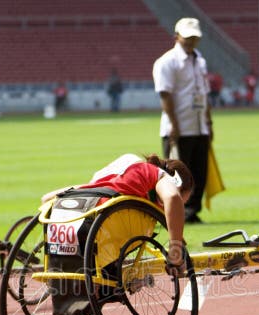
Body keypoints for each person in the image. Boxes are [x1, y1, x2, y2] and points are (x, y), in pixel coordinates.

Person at [41, 153, 194, 275]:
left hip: (77, 224)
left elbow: (47, 198)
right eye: (182, 203)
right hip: (100, 235)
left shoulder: (123, 177)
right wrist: (175, 250)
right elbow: (173, 198)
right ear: (177, 183)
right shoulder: (157, 175)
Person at [152, 17, 212, 224]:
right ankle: (173, 212)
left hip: (199, 127)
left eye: (194, 37)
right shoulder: (167, 62)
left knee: (199, 174)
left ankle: (192, 212)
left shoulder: (200, 60)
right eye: (188, 37)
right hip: (178, 129)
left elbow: (204, 94)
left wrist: (209, 123)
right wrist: (175, 126)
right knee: (175, 175)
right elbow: (165, 96)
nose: (191, 41)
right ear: (176, 36)